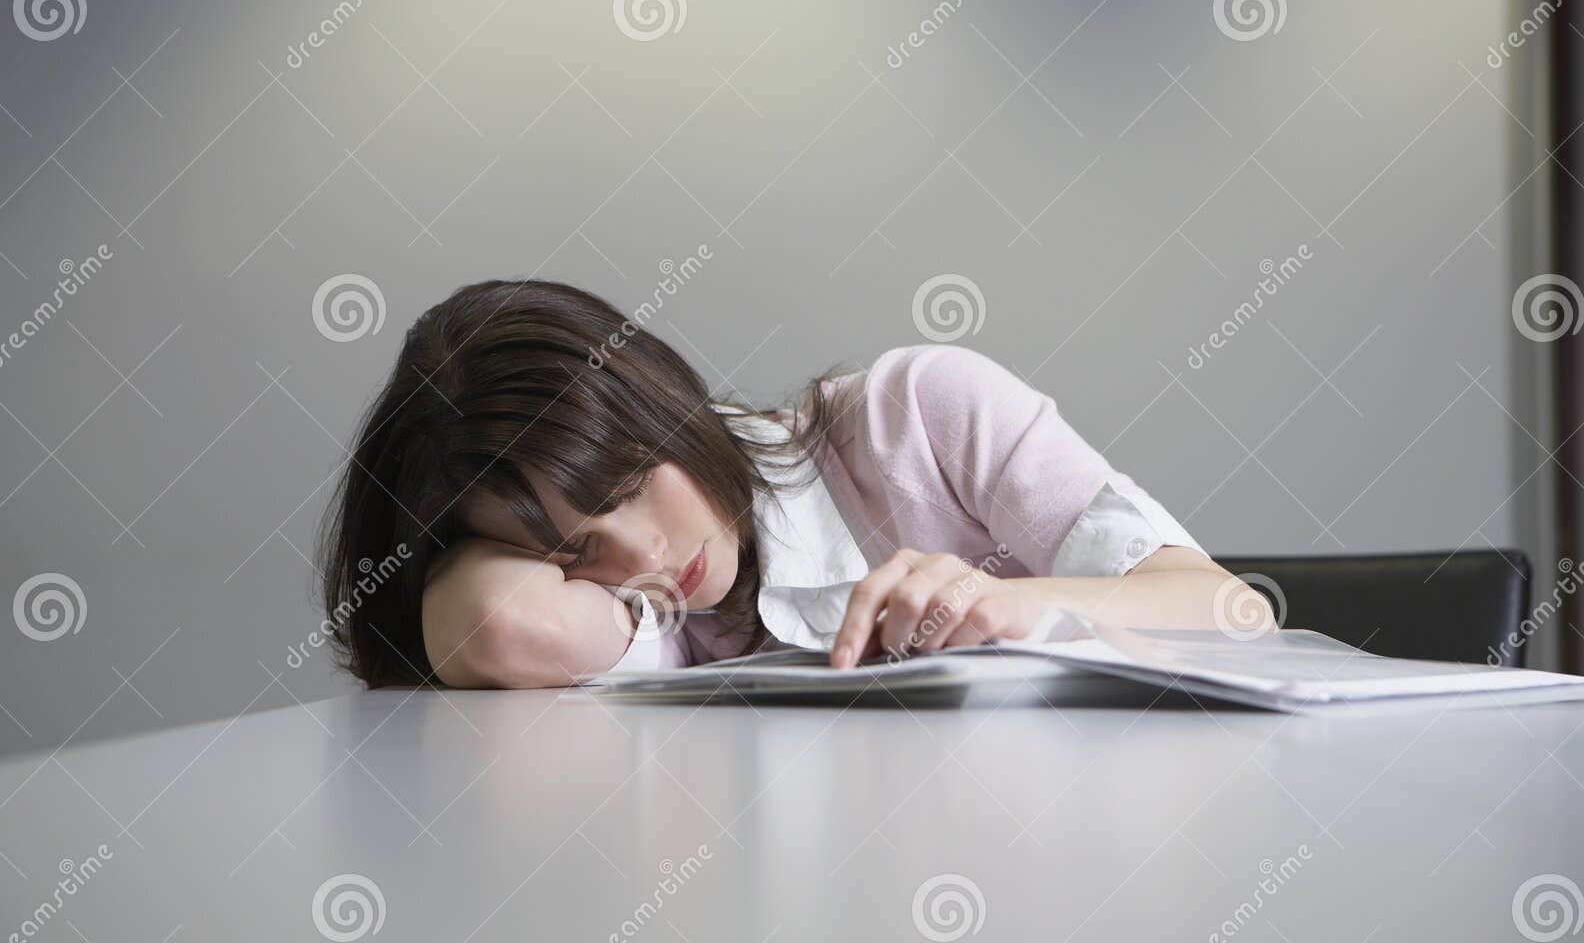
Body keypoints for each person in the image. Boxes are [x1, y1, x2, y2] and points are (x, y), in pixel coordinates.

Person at [318, 279, 1266, 689]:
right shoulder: (628, 611)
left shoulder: (921, 415)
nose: (647, 559)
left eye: (630, 481)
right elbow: (502, 626)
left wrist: (1008, 606)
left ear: (662, 397)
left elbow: (1232, 612)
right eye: (570, 549)